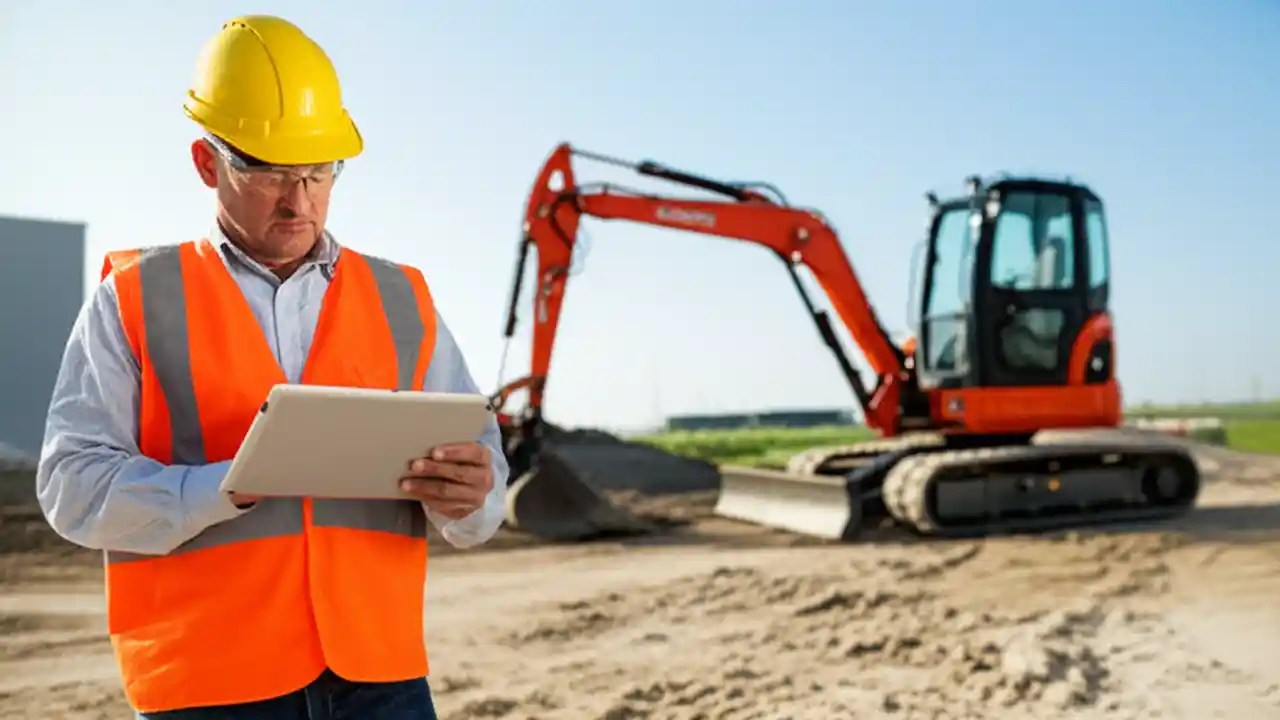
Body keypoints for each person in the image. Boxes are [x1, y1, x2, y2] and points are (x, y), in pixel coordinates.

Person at [34, 14, 508, 719]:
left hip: (380, 675)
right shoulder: (134, 298)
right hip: (209, 682)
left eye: (319, 174)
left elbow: (483, 479)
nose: (299, 201)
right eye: (268, 173)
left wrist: (474, 496)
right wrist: (216, 489)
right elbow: (70, 486)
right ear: (205, 163)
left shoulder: (401, 298)